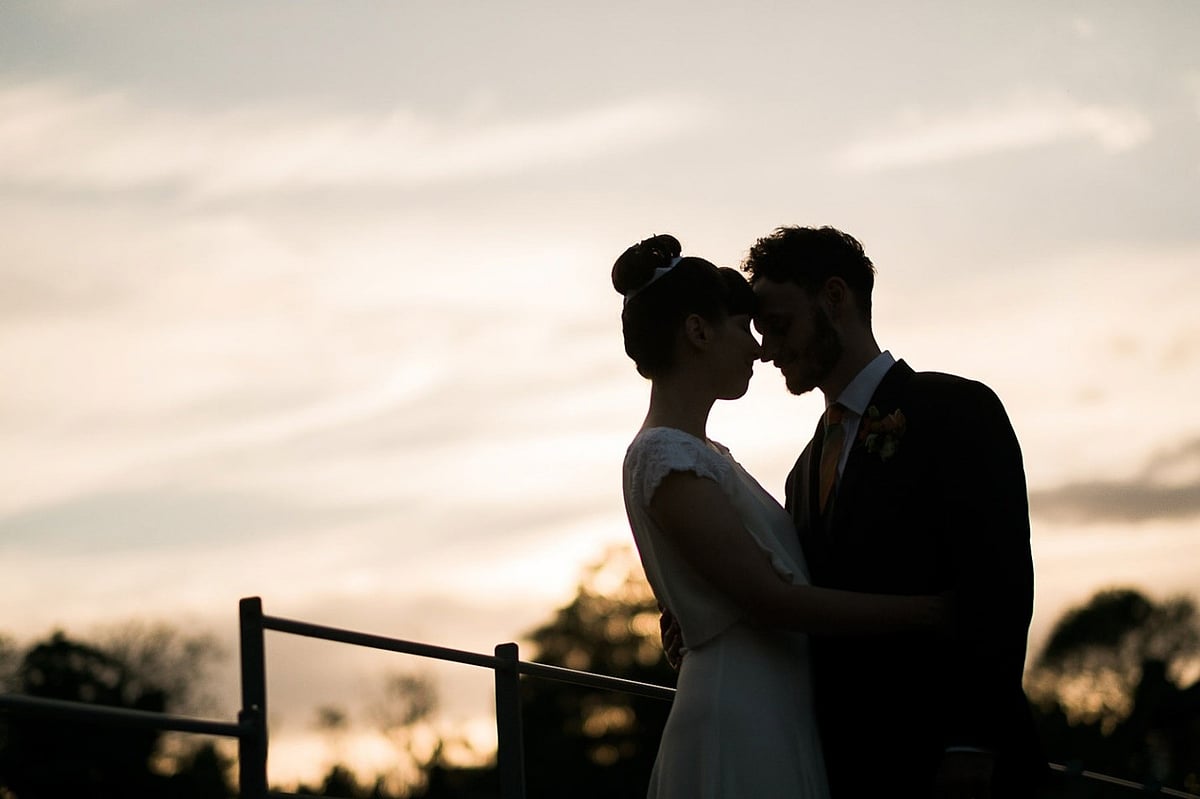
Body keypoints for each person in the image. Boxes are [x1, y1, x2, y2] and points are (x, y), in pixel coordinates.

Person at [614, 233, 949, 799]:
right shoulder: (663, 455)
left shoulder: (705, 458)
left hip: (774, 704)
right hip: (740, 712)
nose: (758, 350)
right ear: (698, 332)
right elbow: (770, 598)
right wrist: (933, 613)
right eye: (746, 329)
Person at [741, 225, 1046, 798]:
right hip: (853, 765)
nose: (767, 349)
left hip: (959, 765)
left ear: (835, 297)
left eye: (778, 326)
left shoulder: (957, 411)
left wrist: (972, 745)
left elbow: (999, 587)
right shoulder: (802, 472)